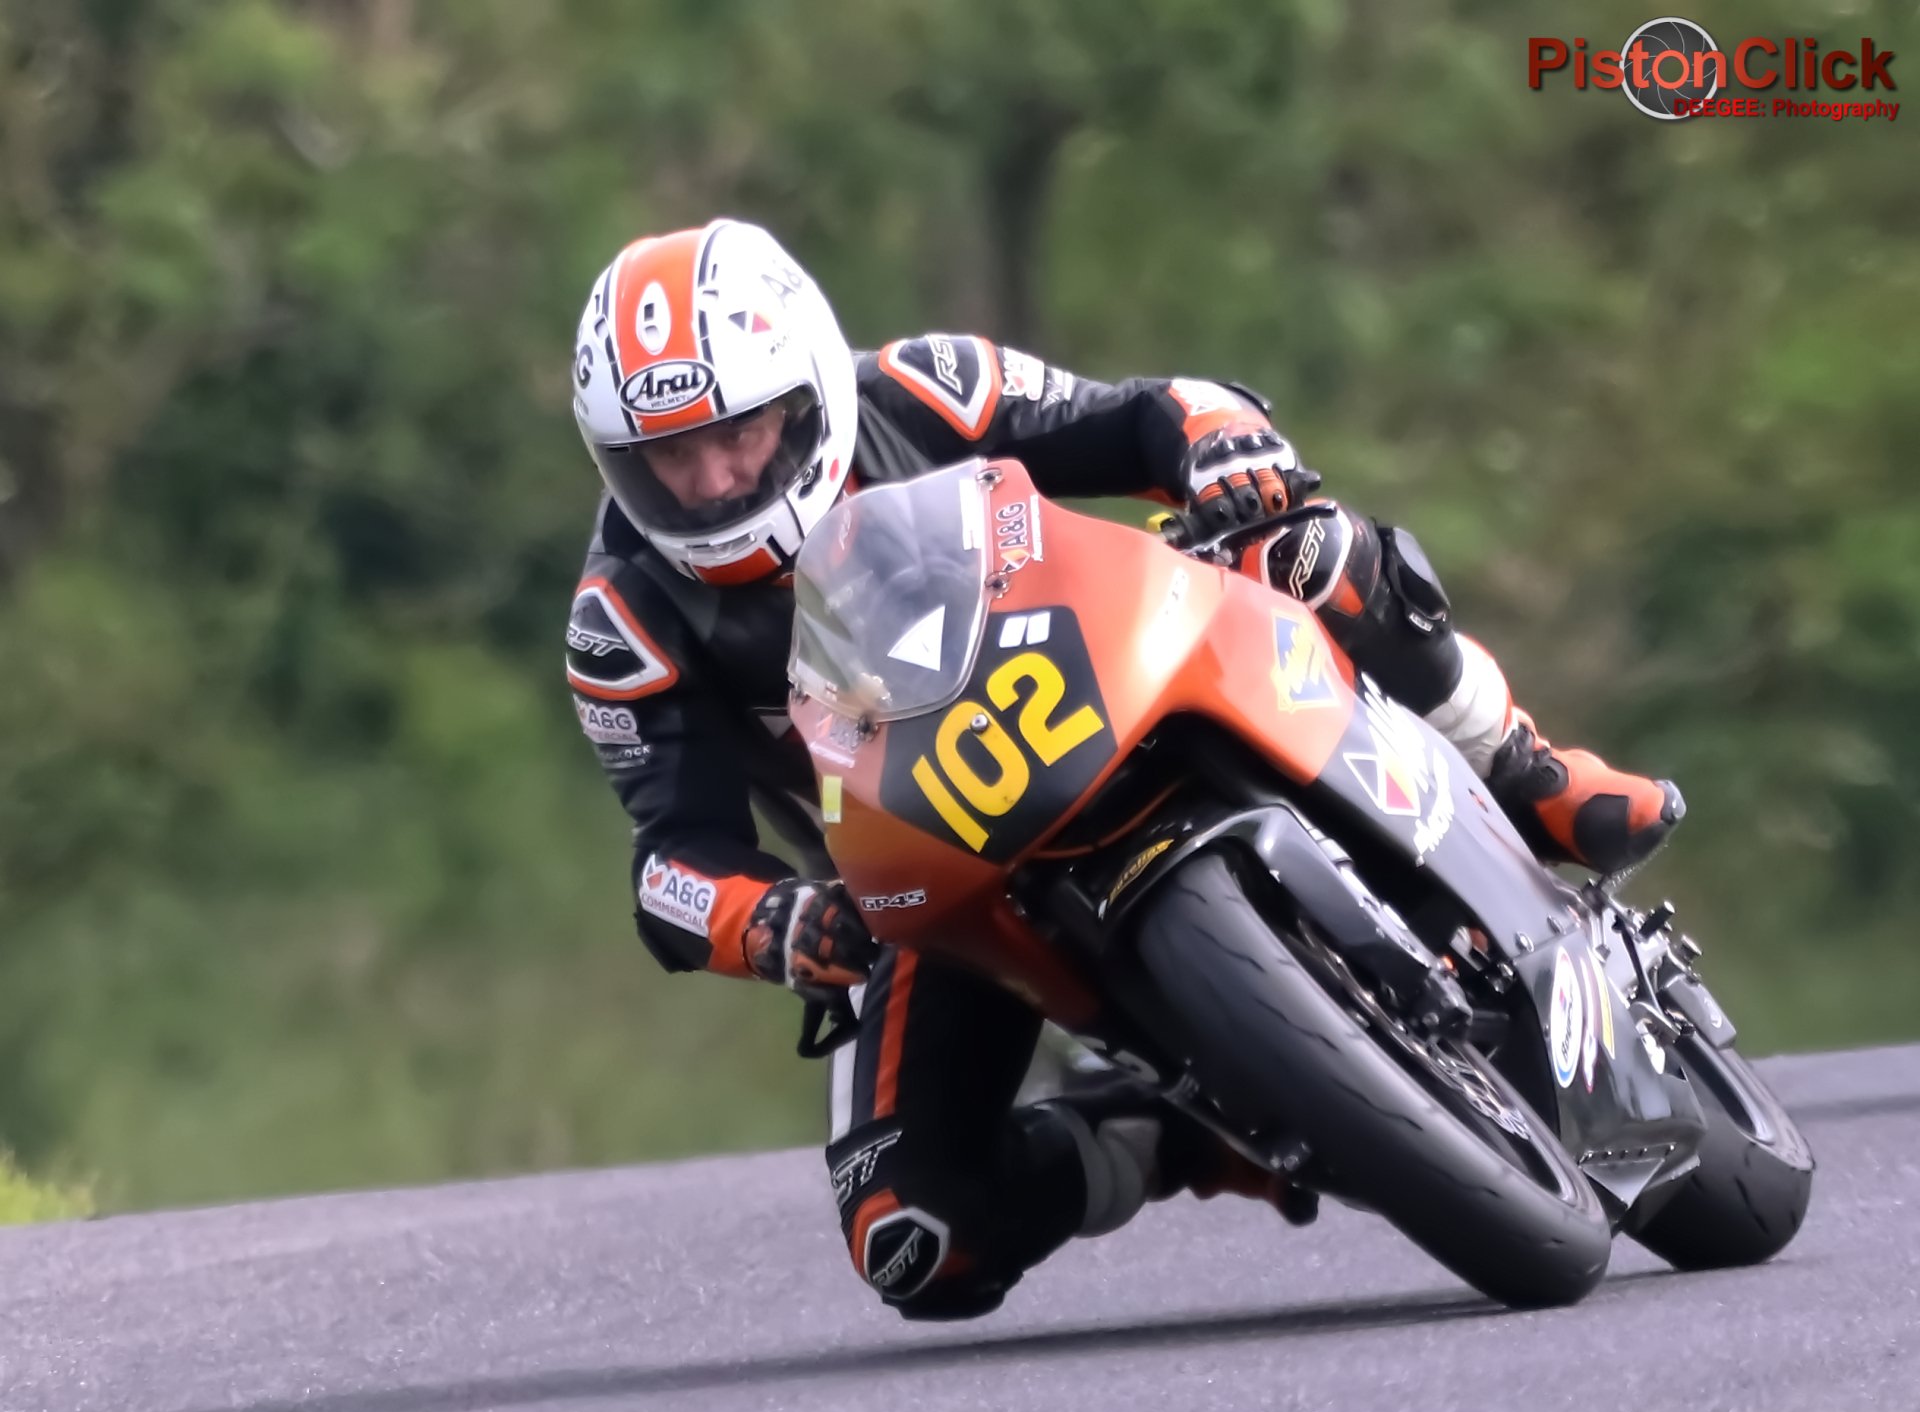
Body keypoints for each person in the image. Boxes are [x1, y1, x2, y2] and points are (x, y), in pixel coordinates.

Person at [566, 218, 1683, 1319]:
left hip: (1120, 673)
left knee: (1314, 548)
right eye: (672, 456)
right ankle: (1162, 1138)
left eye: (743, 434)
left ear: (808, 392)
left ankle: (1526, 768)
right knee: (912, 1238)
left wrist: (1224, 452)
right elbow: (672, 861)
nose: (714, 482)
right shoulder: (622, 620)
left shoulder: (924, 386)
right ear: (621, 464)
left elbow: (1153, 411)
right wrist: (773, 924)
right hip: (926, 873)